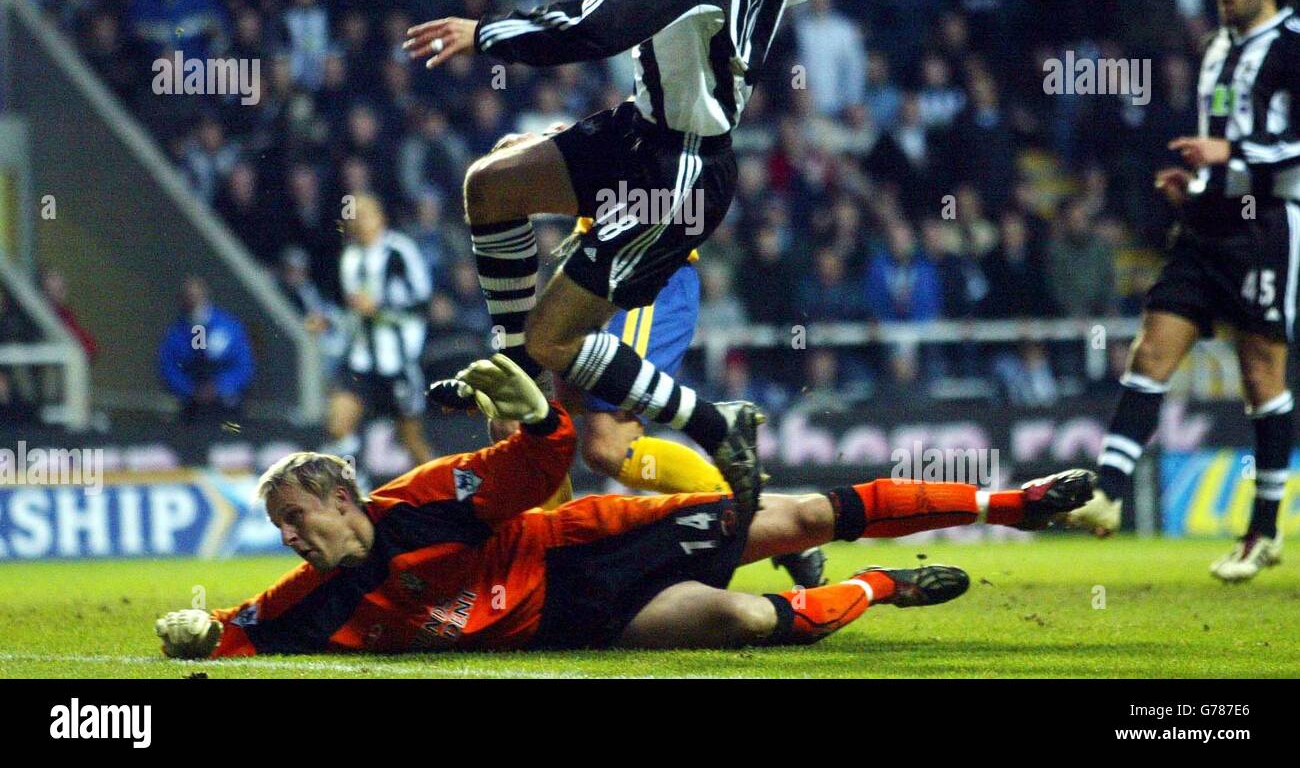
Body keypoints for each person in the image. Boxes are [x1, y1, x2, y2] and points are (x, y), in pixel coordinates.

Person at [405, 0, 824, 525]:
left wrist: (485, 32)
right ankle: (515, 376)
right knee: (491, 185)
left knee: (557, 338)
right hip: (640, 131)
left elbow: (593, 30)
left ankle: (710, 424)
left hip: (676, 169)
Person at [154, 354, 1095, 658]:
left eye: (293, 518)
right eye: (280, 529)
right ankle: (885, 585)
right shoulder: (314, 600)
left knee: (804, 517)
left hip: (590, 547)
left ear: (340, 497)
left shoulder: (416, 501)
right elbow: (239, 629)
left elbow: (530, 467)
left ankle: (1015, 501)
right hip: (577, 620)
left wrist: (538, 418)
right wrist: (195, 632)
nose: (286, 538)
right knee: (745, 621)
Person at [459, 128, 827, 588]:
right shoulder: (590, 148)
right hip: (590, 276)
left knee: (607, 445)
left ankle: (766, 515)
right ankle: (547, 562)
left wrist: (521, 152)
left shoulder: (617, 139)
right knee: (523, 422)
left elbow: (563, 158)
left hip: (643, 276)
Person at [1068, 0, 1300, 581]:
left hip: (1267, 227)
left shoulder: (1290, 47)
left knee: (1261, 377)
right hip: (1205, 226)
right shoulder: (1215, 48)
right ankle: (1107, 493)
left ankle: (1262, 529)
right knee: (1151, 349)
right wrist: (1196, 182)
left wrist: (1229, 155)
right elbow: (1217, 140)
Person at [327, 193, 433, 465]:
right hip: (361, 359)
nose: (359, 221)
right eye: (355, 216)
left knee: (411, 441)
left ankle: (447, 496)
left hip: (397, 362)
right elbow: (355, 309)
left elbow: (423, 299)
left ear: (381, 218)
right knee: (338, 426)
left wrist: (381, 305)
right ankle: (353, 483)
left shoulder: (400, 251)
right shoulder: (349, 258)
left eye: (366, 214)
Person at [157, 275, 255, 427]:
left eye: (196, 296)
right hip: (193, 405)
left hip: (226, 404)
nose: (193, 301)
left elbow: (243, 364)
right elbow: (168, 367)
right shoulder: (176, 333)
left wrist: (220, 386)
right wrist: (191, 390)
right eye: (188, 296)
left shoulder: (228, 326)